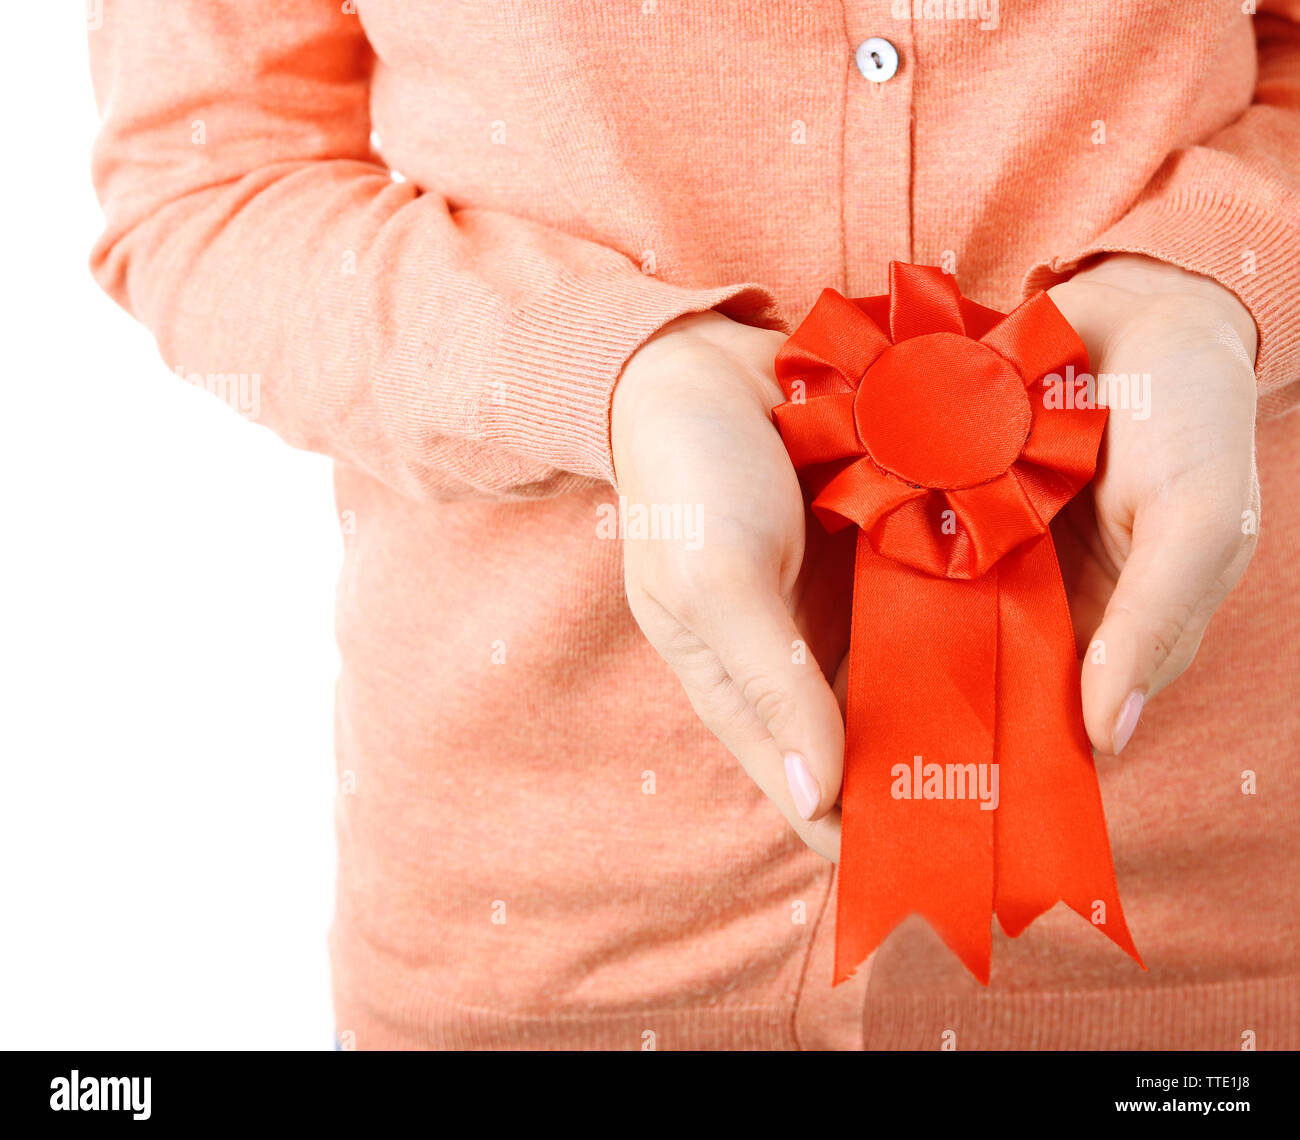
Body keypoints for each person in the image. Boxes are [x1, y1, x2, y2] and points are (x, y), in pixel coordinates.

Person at [89, 2, 1300, 1049]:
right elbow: (209, 177)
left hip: (1198, 925)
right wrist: (596, 369)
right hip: (546, 930)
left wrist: (1213, 282)